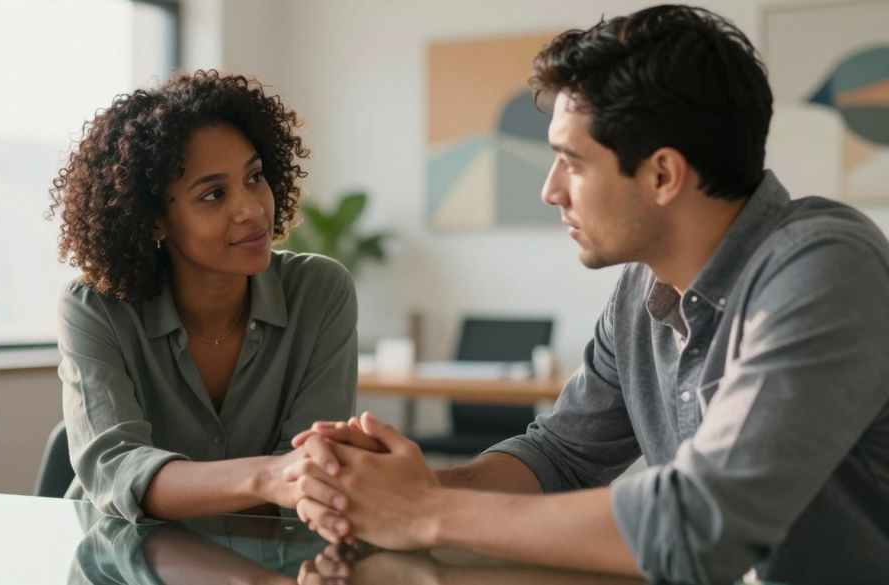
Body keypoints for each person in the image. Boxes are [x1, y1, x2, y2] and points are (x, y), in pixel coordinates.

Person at [286, 5, 889, 584]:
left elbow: (705, 523)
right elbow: (562, 457)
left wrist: (422, 512)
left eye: (570, 162)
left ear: (662, 175)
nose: (551, 191)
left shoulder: (825, 267)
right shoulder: (641, 288)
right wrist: (389, 490)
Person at [47, 69, 358, 524]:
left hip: (264, 562)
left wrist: (286, 480)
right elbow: (117, 471)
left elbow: (315, 472)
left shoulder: (319, 291)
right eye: (213, 194)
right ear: (154, 221)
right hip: (117, 561)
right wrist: (269, 477)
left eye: (254, 177)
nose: (251, 210)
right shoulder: (95, 307)